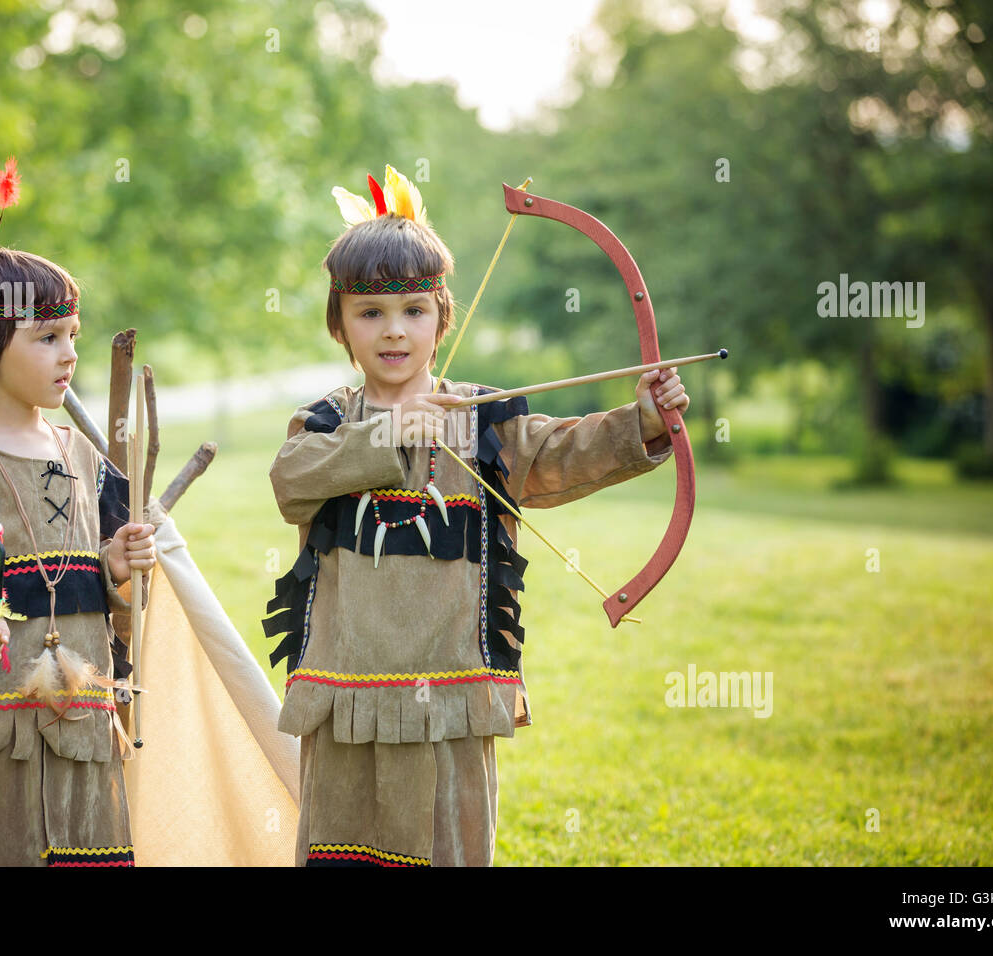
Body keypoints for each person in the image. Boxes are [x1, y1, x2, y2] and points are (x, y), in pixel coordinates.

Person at [263, 166, 689, 866]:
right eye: (370, 313)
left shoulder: (486, 415)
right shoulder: (327, 423)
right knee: (344, 845)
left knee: (449, 848)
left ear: (443, 317)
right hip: (345, 695)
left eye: (414, 312)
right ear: (339, 323)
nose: (394, 332)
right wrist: (389, 432)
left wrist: (641, 419)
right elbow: (292, 483)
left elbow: (560, 454)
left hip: (455, 696)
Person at [0, 181, 156, 866]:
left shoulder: (86, 457)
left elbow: (98, 588)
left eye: (72, 334)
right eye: (47, 337)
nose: (70, 353)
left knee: (96, 851)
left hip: (87, 712)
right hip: (1, 722)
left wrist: (116, 568)